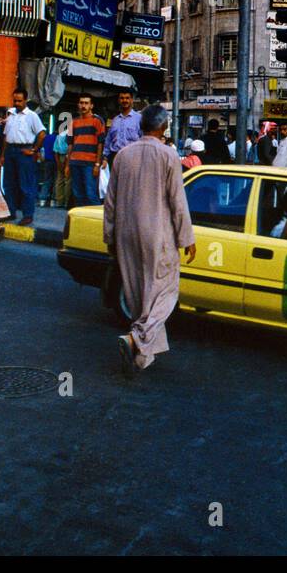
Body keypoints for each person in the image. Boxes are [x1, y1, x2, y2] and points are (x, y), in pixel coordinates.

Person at [104, 105, 196, 374]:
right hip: (157, 234)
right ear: (164, 127)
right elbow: (178, 202)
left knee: (138, 293)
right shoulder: (168, 155)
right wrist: (186, 237)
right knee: (166, 292)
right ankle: (136, 338)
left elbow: (110, 201)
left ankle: (141, 356)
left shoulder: (122, 155)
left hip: (126, 233)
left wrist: (110, 235)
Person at [0, 88, 45, 226]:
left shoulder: (31, 116)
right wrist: (2, 156)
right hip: (10, 151)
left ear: (25, 100)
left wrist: (34, 150)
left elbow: (42, 133)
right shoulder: (11, 115)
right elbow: (6, 137)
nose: (17, 103)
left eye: (19, 100)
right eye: (15, 100)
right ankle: (10, 211)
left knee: (26, 184)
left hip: (24, 151)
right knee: (9, 184)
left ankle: (28, 215)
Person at [68, 94, 105, 207]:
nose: (83, 106)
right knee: (78, 194)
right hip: (75, 162)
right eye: (81, 103)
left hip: (90, 163)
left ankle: (96, 222)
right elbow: (70, 144)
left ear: (91, 105)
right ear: (78, 105)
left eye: (86, 103)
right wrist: (67, 164)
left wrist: (97, 164)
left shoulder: (97, 121)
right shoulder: (72, 122)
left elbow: (101, 143)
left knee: (91, 194)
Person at [102, 90, 141, 170]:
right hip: (115, 158)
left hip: (133, 158)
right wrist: (105, 157)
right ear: (119, 100)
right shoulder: (115, 120)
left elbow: (144, 138)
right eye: (122, 98)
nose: (125, 100)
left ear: (131, 100)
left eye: (127, 98)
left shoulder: (139, 118)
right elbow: (108, 140)